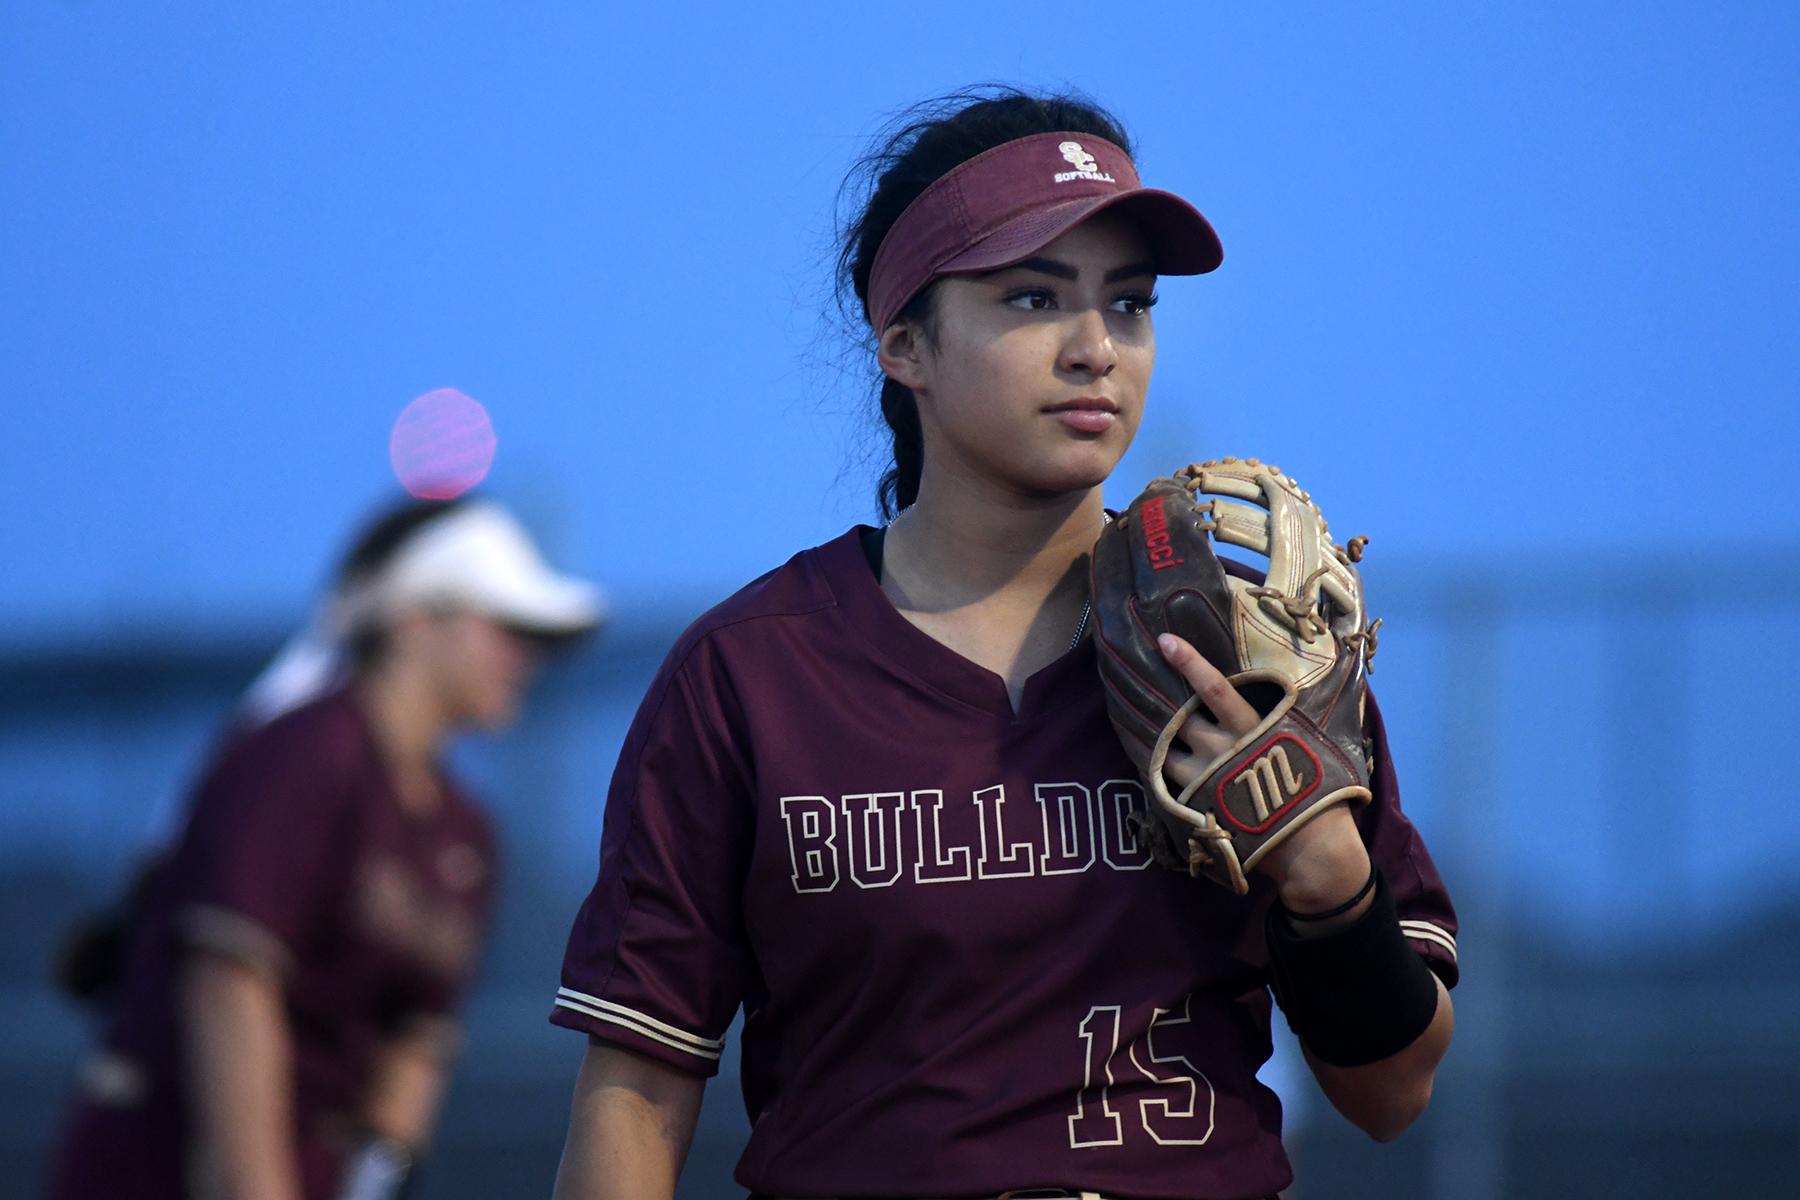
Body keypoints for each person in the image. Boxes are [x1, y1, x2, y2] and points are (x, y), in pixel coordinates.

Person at [548, 88, 1458, 1200]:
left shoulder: (1249, 649)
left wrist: (1331, 879)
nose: (1097, 349)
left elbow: (1393, 1092)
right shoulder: (752, 676)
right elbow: (637, 1091)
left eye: (1130, 304)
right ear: (904, 345)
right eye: (1034, 297)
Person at [48, 495, 603, 1200]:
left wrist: (376, 1181)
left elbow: (419, 1039)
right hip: (166, 1168)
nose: (525, 659)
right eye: (504, 628)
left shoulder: (465, 830)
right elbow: (229, 981)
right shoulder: (307, 754)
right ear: (412, 621)